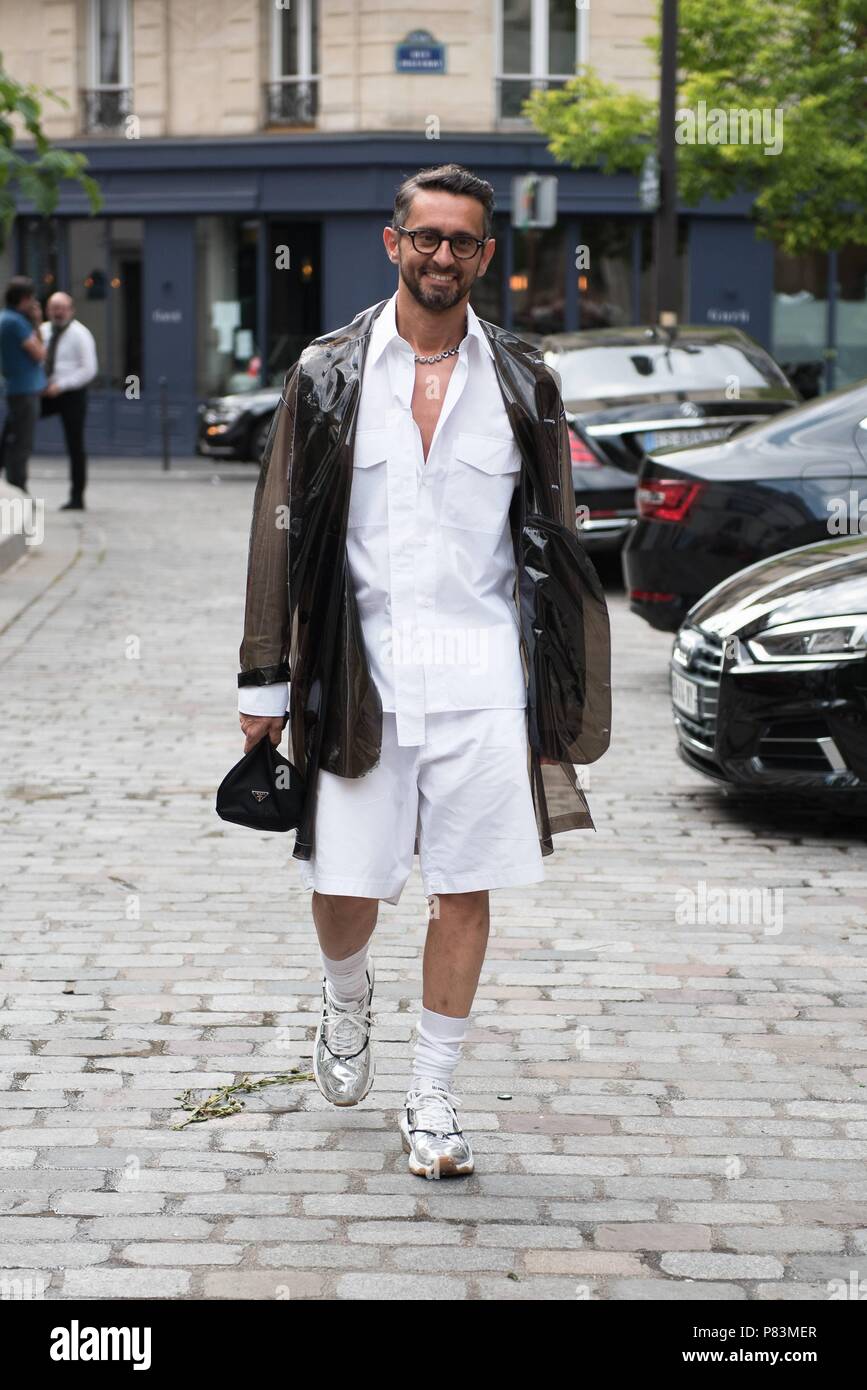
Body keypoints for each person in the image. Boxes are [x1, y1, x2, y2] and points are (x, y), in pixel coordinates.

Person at [236, 163, 611, 1179]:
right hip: (358, 671)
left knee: (465, 884)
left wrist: (556, 690)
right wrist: (263, 685)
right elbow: (278, 529)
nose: (443, 255)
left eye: (464, 241)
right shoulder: (326, 371)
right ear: (395, 243)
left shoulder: (527, 381)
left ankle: (434, 1097)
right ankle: (347, 994)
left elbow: (556, 539)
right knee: (344, 877)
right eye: (427, 237)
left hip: (486, 675)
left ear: (486, 255)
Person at [39, 291, 98, 510]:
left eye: (62, 307)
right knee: (15, 428)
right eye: (54, 307)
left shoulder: (81, 334)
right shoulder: (43, 331)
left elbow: (89, 369)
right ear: (48, 310)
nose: (58, 312)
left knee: (75, 445)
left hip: (72, 394)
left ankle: (77, 496)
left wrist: (61, 385)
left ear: (71, 310)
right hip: (44, 392)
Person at [0, 276, 47, 494]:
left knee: (14, 440)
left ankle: (16, 490)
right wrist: (37, 321)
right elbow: (39, 353)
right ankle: (17, 492)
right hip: (24, 390)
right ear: (25, 298)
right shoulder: (16, 322)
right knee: (21, 443)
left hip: (18, 389)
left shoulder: (8, 319)